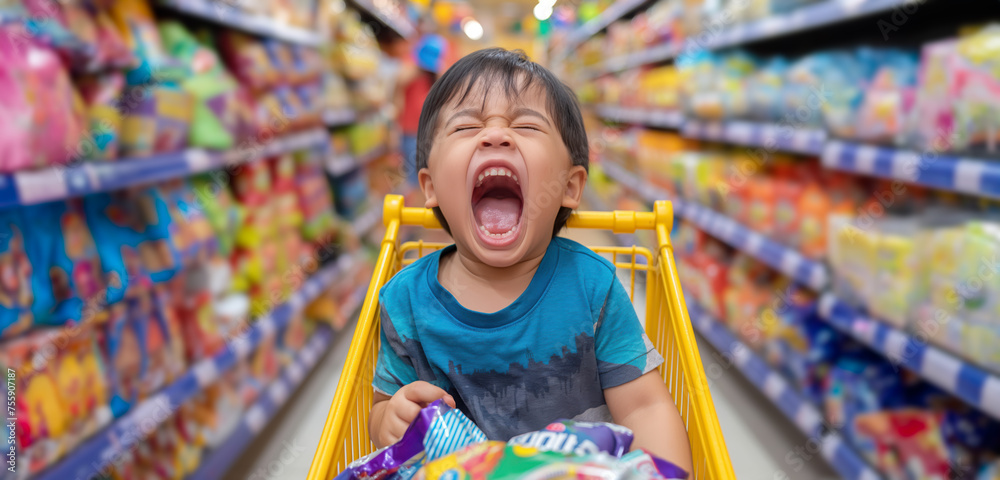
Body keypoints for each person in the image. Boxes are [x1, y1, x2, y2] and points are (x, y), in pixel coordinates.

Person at [368, 48, 693, 472]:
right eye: (467, 125)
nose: (496, 136)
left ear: (570, 187)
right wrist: (392, 419)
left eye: (525, 125)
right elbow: (381, 410)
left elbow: (644, 408)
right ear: (429, 187)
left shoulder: (592, 286)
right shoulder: (404, 302)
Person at [398, 33, 447, 188]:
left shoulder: (436, 76)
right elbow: (398, 88)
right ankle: (416, 203)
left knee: (429, 171)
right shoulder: (408, 70)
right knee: (414, 176)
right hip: (410, 132)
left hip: (430, 131)